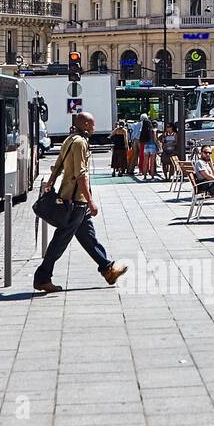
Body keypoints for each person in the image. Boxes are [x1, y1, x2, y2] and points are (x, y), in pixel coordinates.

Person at [33, 112, 128, 293]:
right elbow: (81, 174)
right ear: (84, 124)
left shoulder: (70, 139)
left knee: (88, 237)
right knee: (60, 240)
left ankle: (107, 269)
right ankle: (42, 277)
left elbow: (59, 163)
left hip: (74, 200)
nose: (94, 127)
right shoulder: (79, 143)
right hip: (75, 201)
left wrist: (52, 181)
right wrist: (91, 201)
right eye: (92, 124)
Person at [138, 113, 158, 179]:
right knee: (152, 162)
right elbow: (155, 139)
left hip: (146, 146)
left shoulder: (143, 131)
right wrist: (157, 145)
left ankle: (144, 176)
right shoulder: (152, 130)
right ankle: (152, 176)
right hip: (152, 146)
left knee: (145, 162)